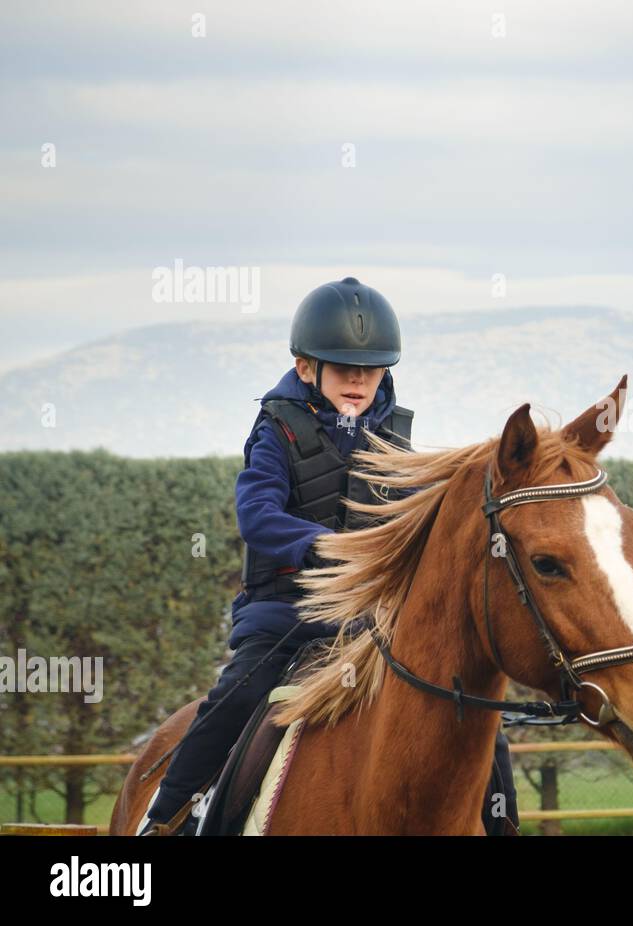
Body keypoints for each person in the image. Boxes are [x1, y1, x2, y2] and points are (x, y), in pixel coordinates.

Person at [143, 277, 518, 835]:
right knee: (238, 693)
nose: (358, 380)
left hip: (369, 622)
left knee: (474, 717)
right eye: (344, 368)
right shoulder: (277, 432)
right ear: (305, 368)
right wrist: (327, 549)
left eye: (371, 369)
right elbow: (258, 516)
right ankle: (164, 819)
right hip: (284, 615)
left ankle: (503, 826)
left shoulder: (396, 435)